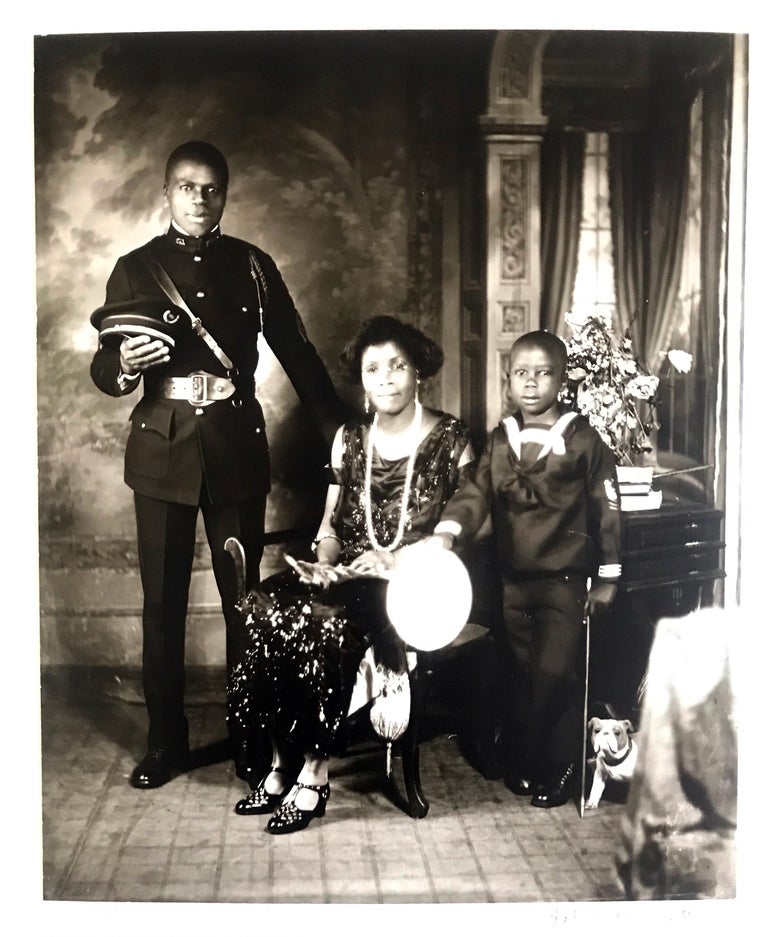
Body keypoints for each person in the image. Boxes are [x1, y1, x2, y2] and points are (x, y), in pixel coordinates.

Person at [89, 140, 345, 790]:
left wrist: (341, 433)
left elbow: (297, 351)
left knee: (243, 603)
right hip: (162, 451)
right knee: (162, 604)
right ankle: (164, 743)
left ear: (225, 195)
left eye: (211, 189)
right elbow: (105, 362)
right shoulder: (135, 267)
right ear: (166, 193)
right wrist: (124, 366)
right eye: (187, 187)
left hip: (234, 448)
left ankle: (249, 739)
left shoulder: (253, 266)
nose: (199, 199)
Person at [227, 315, 473, 834]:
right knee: (263, 605)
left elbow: (467, 531)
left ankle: (314, 775)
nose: (386, 379)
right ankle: (280, 763)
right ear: (361, 380)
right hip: (347, 574)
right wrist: (324, 562)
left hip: (412, 585)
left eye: (397, 366)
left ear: (418, 372)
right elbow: (331, 526)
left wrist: (396, 561)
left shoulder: (451, 438)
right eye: (373, 369)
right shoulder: (349, 439)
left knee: (325, 624)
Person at [428, 329, 621, 808]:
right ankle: (529, 761)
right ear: (508, 379)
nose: (531, 383)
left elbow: (608, 509)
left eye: (544, 373)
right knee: (522, 672)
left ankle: (562, 767)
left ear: (562, 380)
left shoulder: (583, 439)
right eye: (521, 373)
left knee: (555, 675)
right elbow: (475, 492)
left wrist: (609, 578)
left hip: (564, 582)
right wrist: (448, 531)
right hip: (513, 582)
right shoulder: (500, 440)